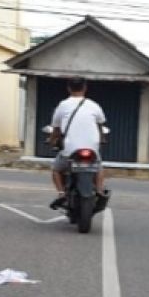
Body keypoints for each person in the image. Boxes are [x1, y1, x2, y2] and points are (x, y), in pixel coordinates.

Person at [48, 77, 109, 209]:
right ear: (85, 88)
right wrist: (102, 139)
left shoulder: (63, 105)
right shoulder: (94, 105)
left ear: (68, 88)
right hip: (92, 149)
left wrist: (52, 141)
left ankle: (61, 194)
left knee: (56, 170)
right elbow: (101, 125)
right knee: (98, 167)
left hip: (70, 150)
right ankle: (99, 190)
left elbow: (56, 129)